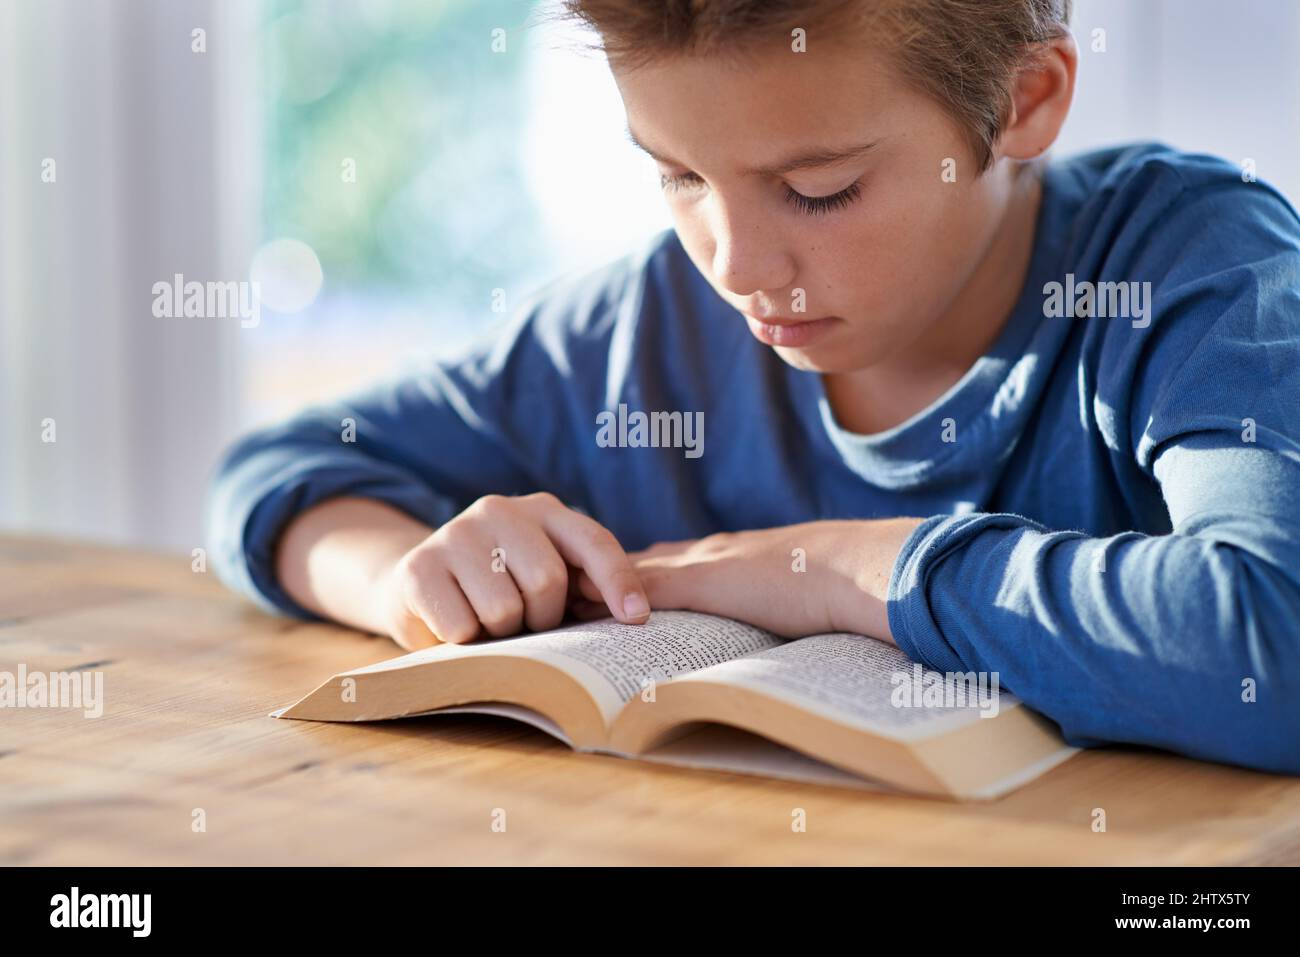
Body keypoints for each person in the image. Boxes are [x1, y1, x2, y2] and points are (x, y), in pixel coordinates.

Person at [206, 0, 1300, 772]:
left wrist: (838, 569)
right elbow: (283, 468)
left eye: (816, 189)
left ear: (1025, 98)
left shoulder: (1190, 264)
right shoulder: (643, 334)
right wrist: (403, 578)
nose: (732, 266)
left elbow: (1276, 645)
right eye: (677, 174)